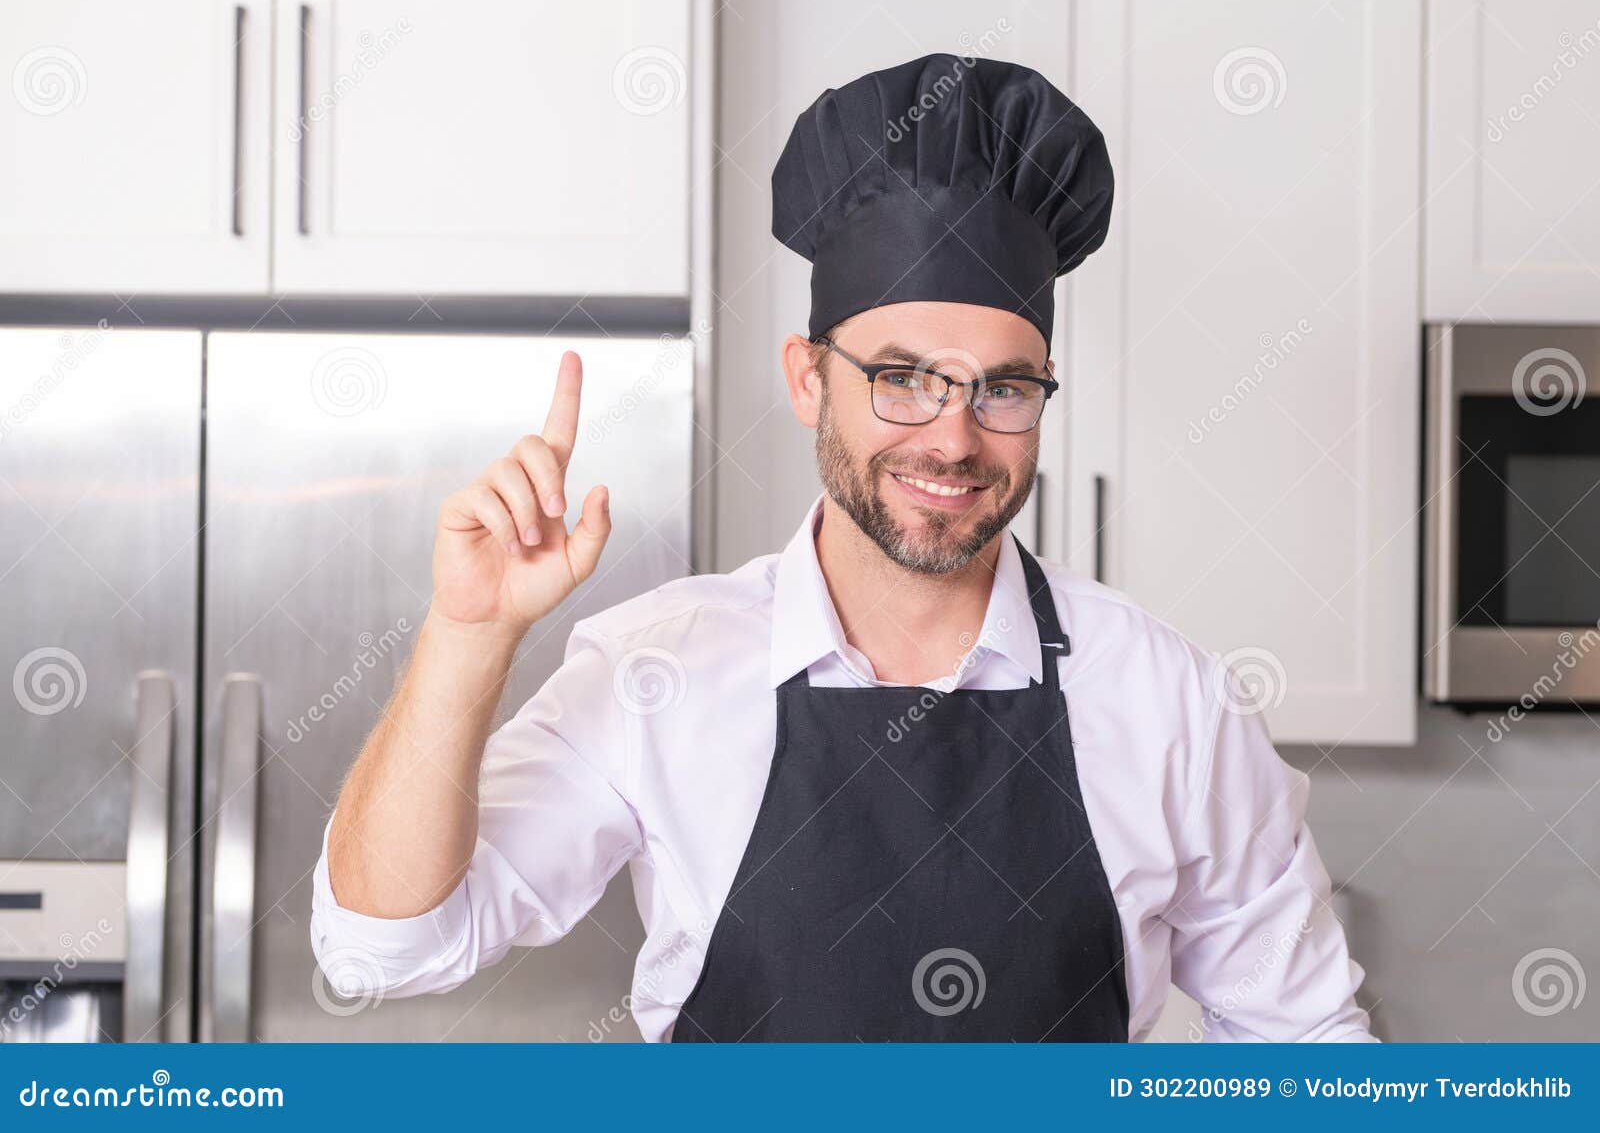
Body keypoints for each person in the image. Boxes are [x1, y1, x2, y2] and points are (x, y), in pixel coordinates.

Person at [312, 52, 1375, 1042]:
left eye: (1002, 388)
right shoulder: (657, 670)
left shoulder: (1166, 700)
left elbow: (1311, 1051)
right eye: (901, 377)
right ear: (808, 378)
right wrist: (468, 633)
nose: (952, 437)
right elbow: (382, 948)